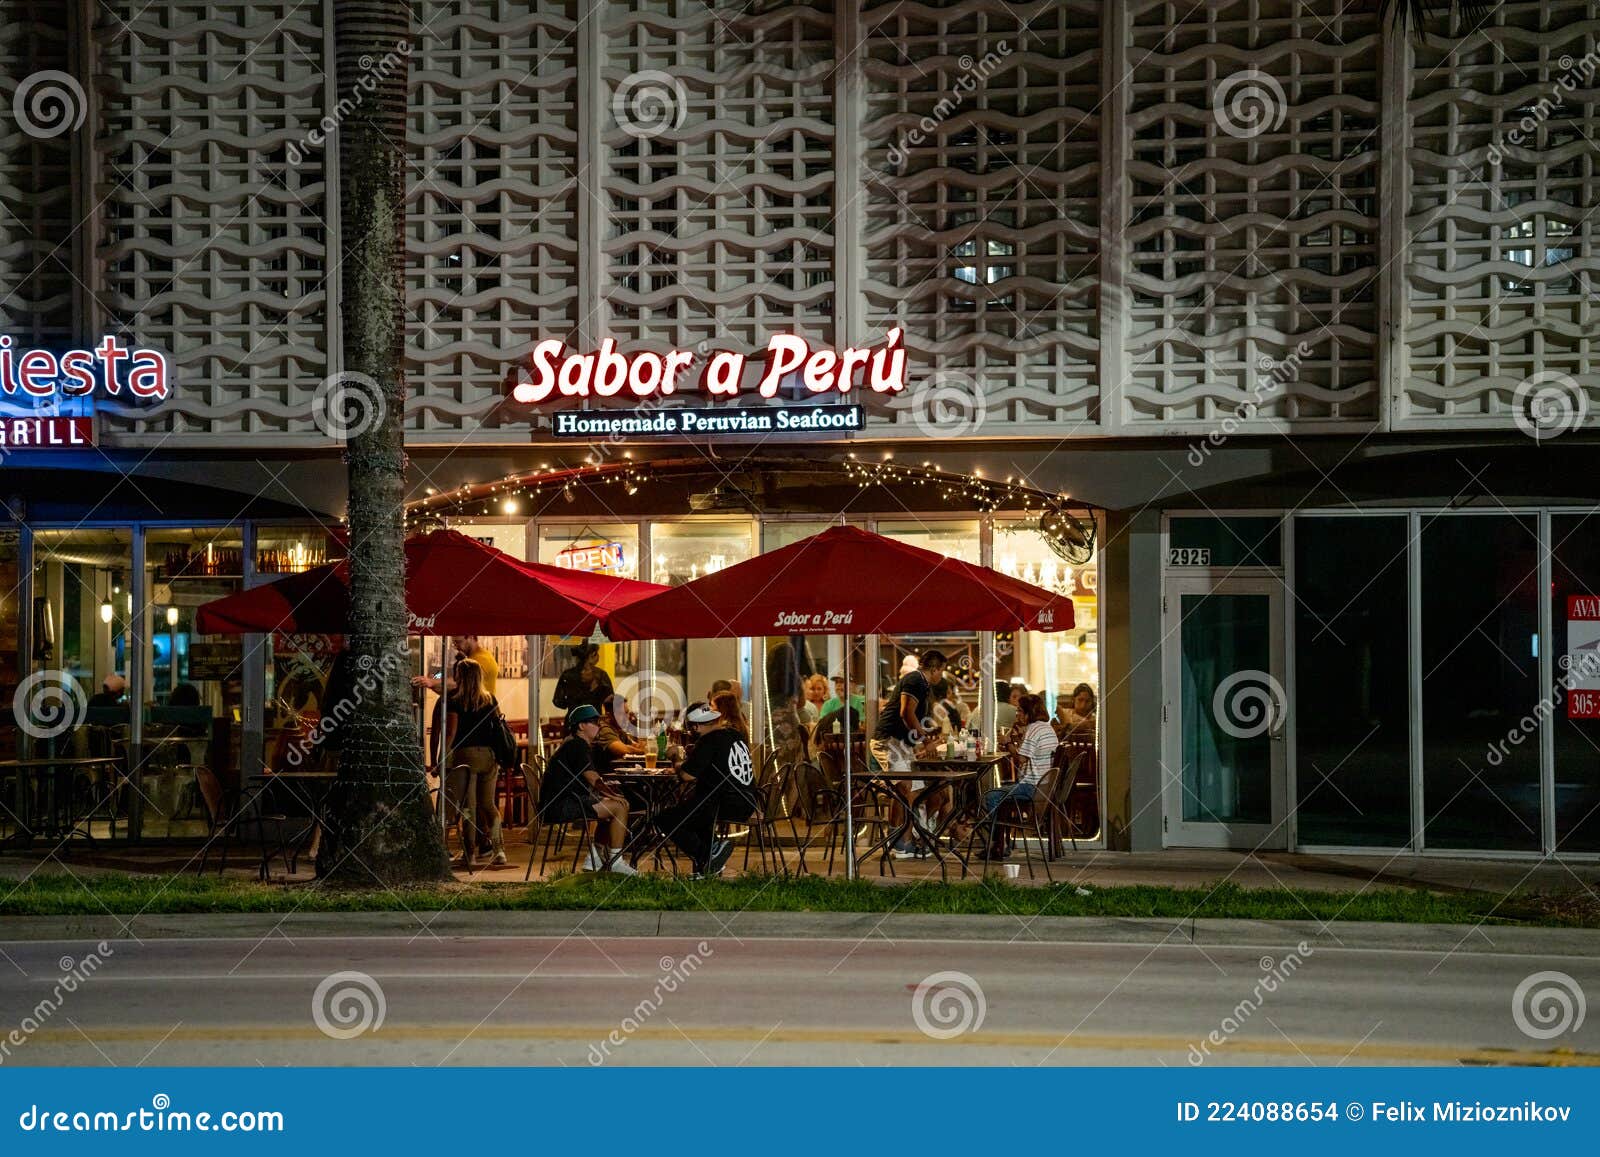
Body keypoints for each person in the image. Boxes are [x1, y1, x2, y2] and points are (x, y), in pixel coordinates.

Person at [657, 703, 758, 878]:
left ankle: (709, 855)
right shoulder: (734, 735)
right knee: (696, 817)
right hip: (747, 802)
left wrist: (675, 758)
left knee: (665, 819)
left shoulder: (709, 740)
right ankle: (709, 865)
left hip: (723, 803)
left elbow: (687, 775)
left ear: (695, 726)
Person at [537, 704, 636, 874]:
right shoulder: (577, 746)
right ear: (582, 726)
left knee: (611, 805)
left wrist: (610, 794)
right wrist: (613, 795)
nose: (599, 726)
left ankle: (595, 858)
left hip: (559, 803)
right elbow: (592, 778)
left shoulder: (573, 743)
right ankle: (616, 862)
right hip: (561, 806)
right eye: (595, 722)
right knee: (620, 806)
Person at [873, 647, 945, 858]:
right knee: (906, 790)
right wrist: (924, 741)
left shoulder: (921, 683)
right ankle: (900, 843)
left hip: (901, 743)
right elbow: (906, 712)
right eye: (942, 670)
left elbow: (911, 718)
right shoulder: (916, 680)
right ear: (934, 669)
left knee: (914, 792)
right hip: (889, 741)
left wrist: (920, 740)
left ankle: (907, 839)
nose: (941, 675)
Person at [445, 658, 507, 868]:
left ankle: (470, 854)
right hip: (489, 756)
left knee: (468, 808)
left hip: (466, 757)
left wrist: (442, 758)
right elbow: (498, 727)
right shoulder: (490, 699)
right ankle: (499, 850)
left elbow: (451, 732)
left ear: (460, 677)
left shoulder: (455, 701)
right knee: (488, 805)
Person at [979, 693, 1058, 859]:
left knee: (991, 796)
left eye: (1020, 711)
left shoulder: (1033, 729)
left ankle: (998, 844)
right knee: (999, 793)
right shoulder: (1046, 728)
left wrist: (1007, 742)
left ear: (1029, 713)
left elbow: (1021, 759)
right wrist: (1016, 738)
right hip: (1044, 786)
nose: (1017, 714)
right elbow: (1030, 753)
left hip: (1032, 787)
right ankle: (1001, 843)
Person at [593, 692, 648, 774]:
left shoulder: (618, 728)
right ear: (609, 715)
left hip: (618, 774)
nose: (627, 717)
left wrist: (643, 746)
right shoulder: (604, 729)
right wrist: (644, 751)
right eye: (622, 714)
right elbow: (624, 750)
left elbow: (635, 746)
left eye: (627, 712)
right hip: (607, 777)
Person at [552, 643, 613, 712]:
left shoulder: (567, 675)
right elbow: (610, 701)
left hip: (573, 717)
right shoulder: (601, 675)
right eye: (597, 654)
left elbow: (558, 702)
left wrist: (572, 702)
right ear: (592, 655)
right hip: (594, 717)